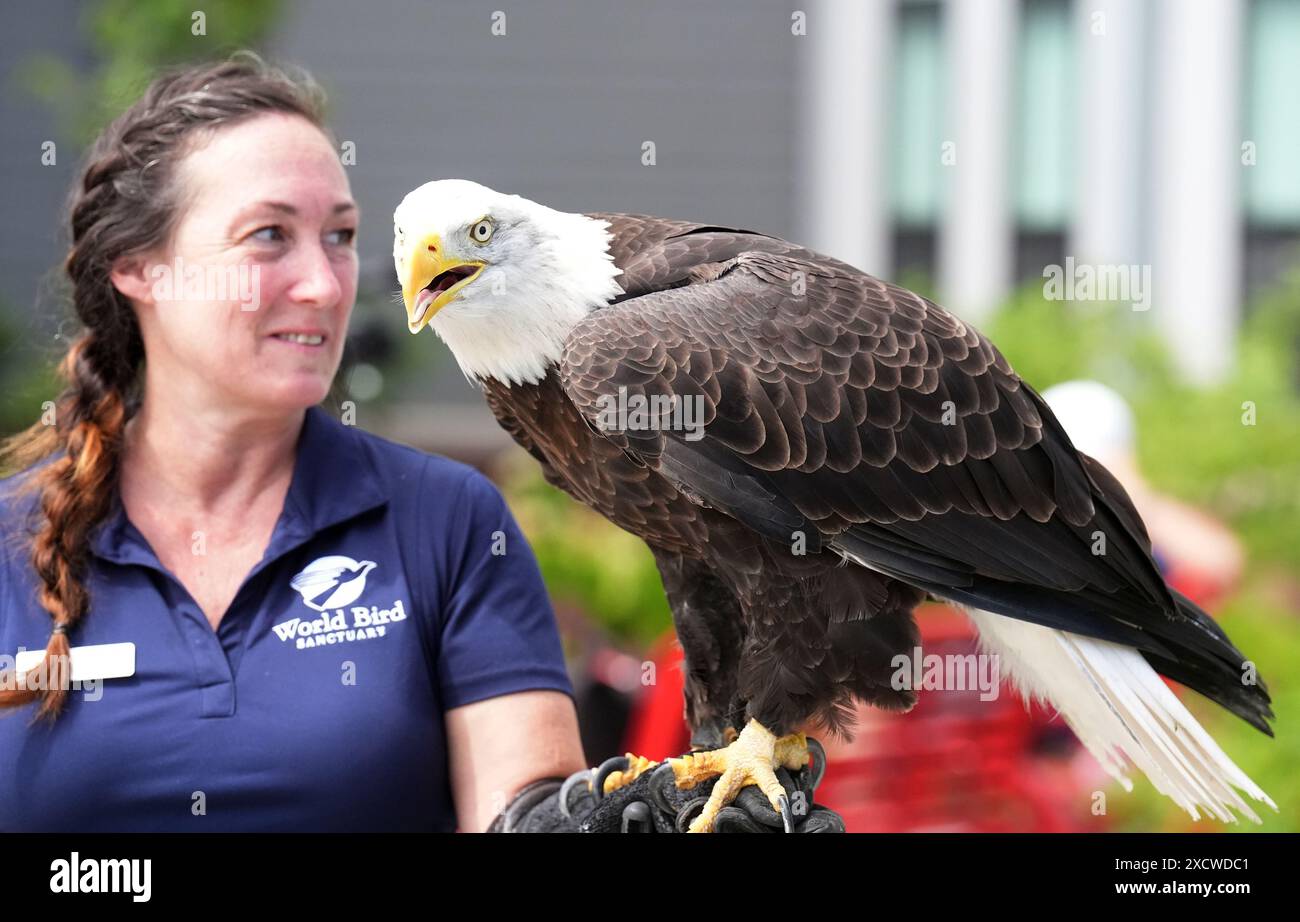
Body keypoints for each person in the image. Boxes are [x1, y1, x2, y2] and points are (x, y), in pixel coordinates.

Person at [0, 54, 587, 832]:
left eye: (340, 236)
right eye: (270, 235)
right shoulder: (12, 536)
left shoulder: (445, 522)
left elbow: (525, 814)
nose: (324, 283)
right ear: (141, 270)